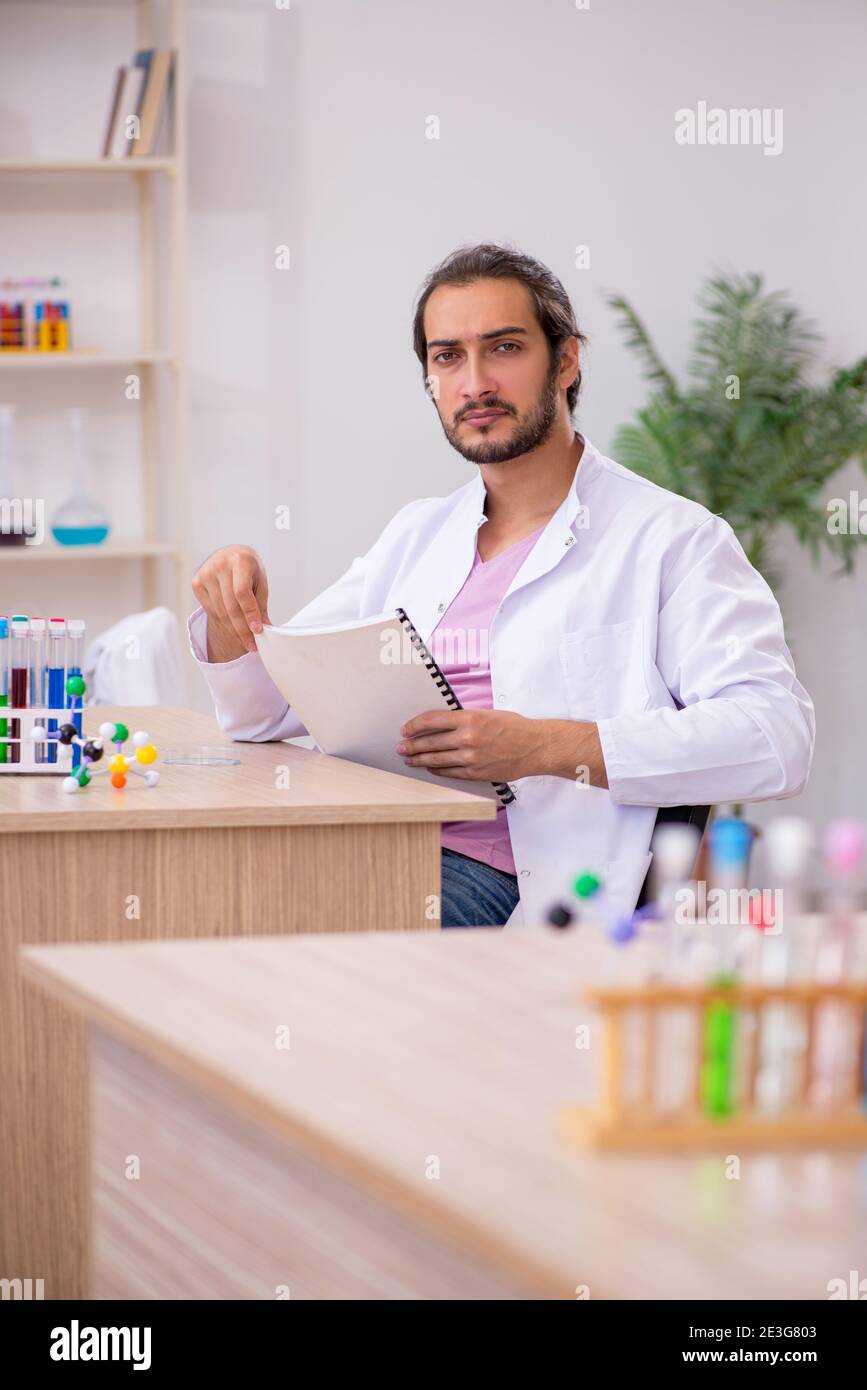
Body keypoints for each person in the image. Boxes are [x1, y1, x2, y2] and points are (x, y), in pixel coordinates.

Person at [189, 243, 815, 929]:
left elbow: (775, 737)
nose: (474, 383)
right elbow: (265, 714)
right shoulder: (416, 535)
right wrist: (231, 612)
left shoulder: (673, 539)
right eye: (447, 356)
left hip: (502, 878)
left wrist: (546, 746)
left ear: (566, 360)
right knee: (198, 910)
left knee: (287, 946)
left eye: (505, 348)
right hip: (370, 842)